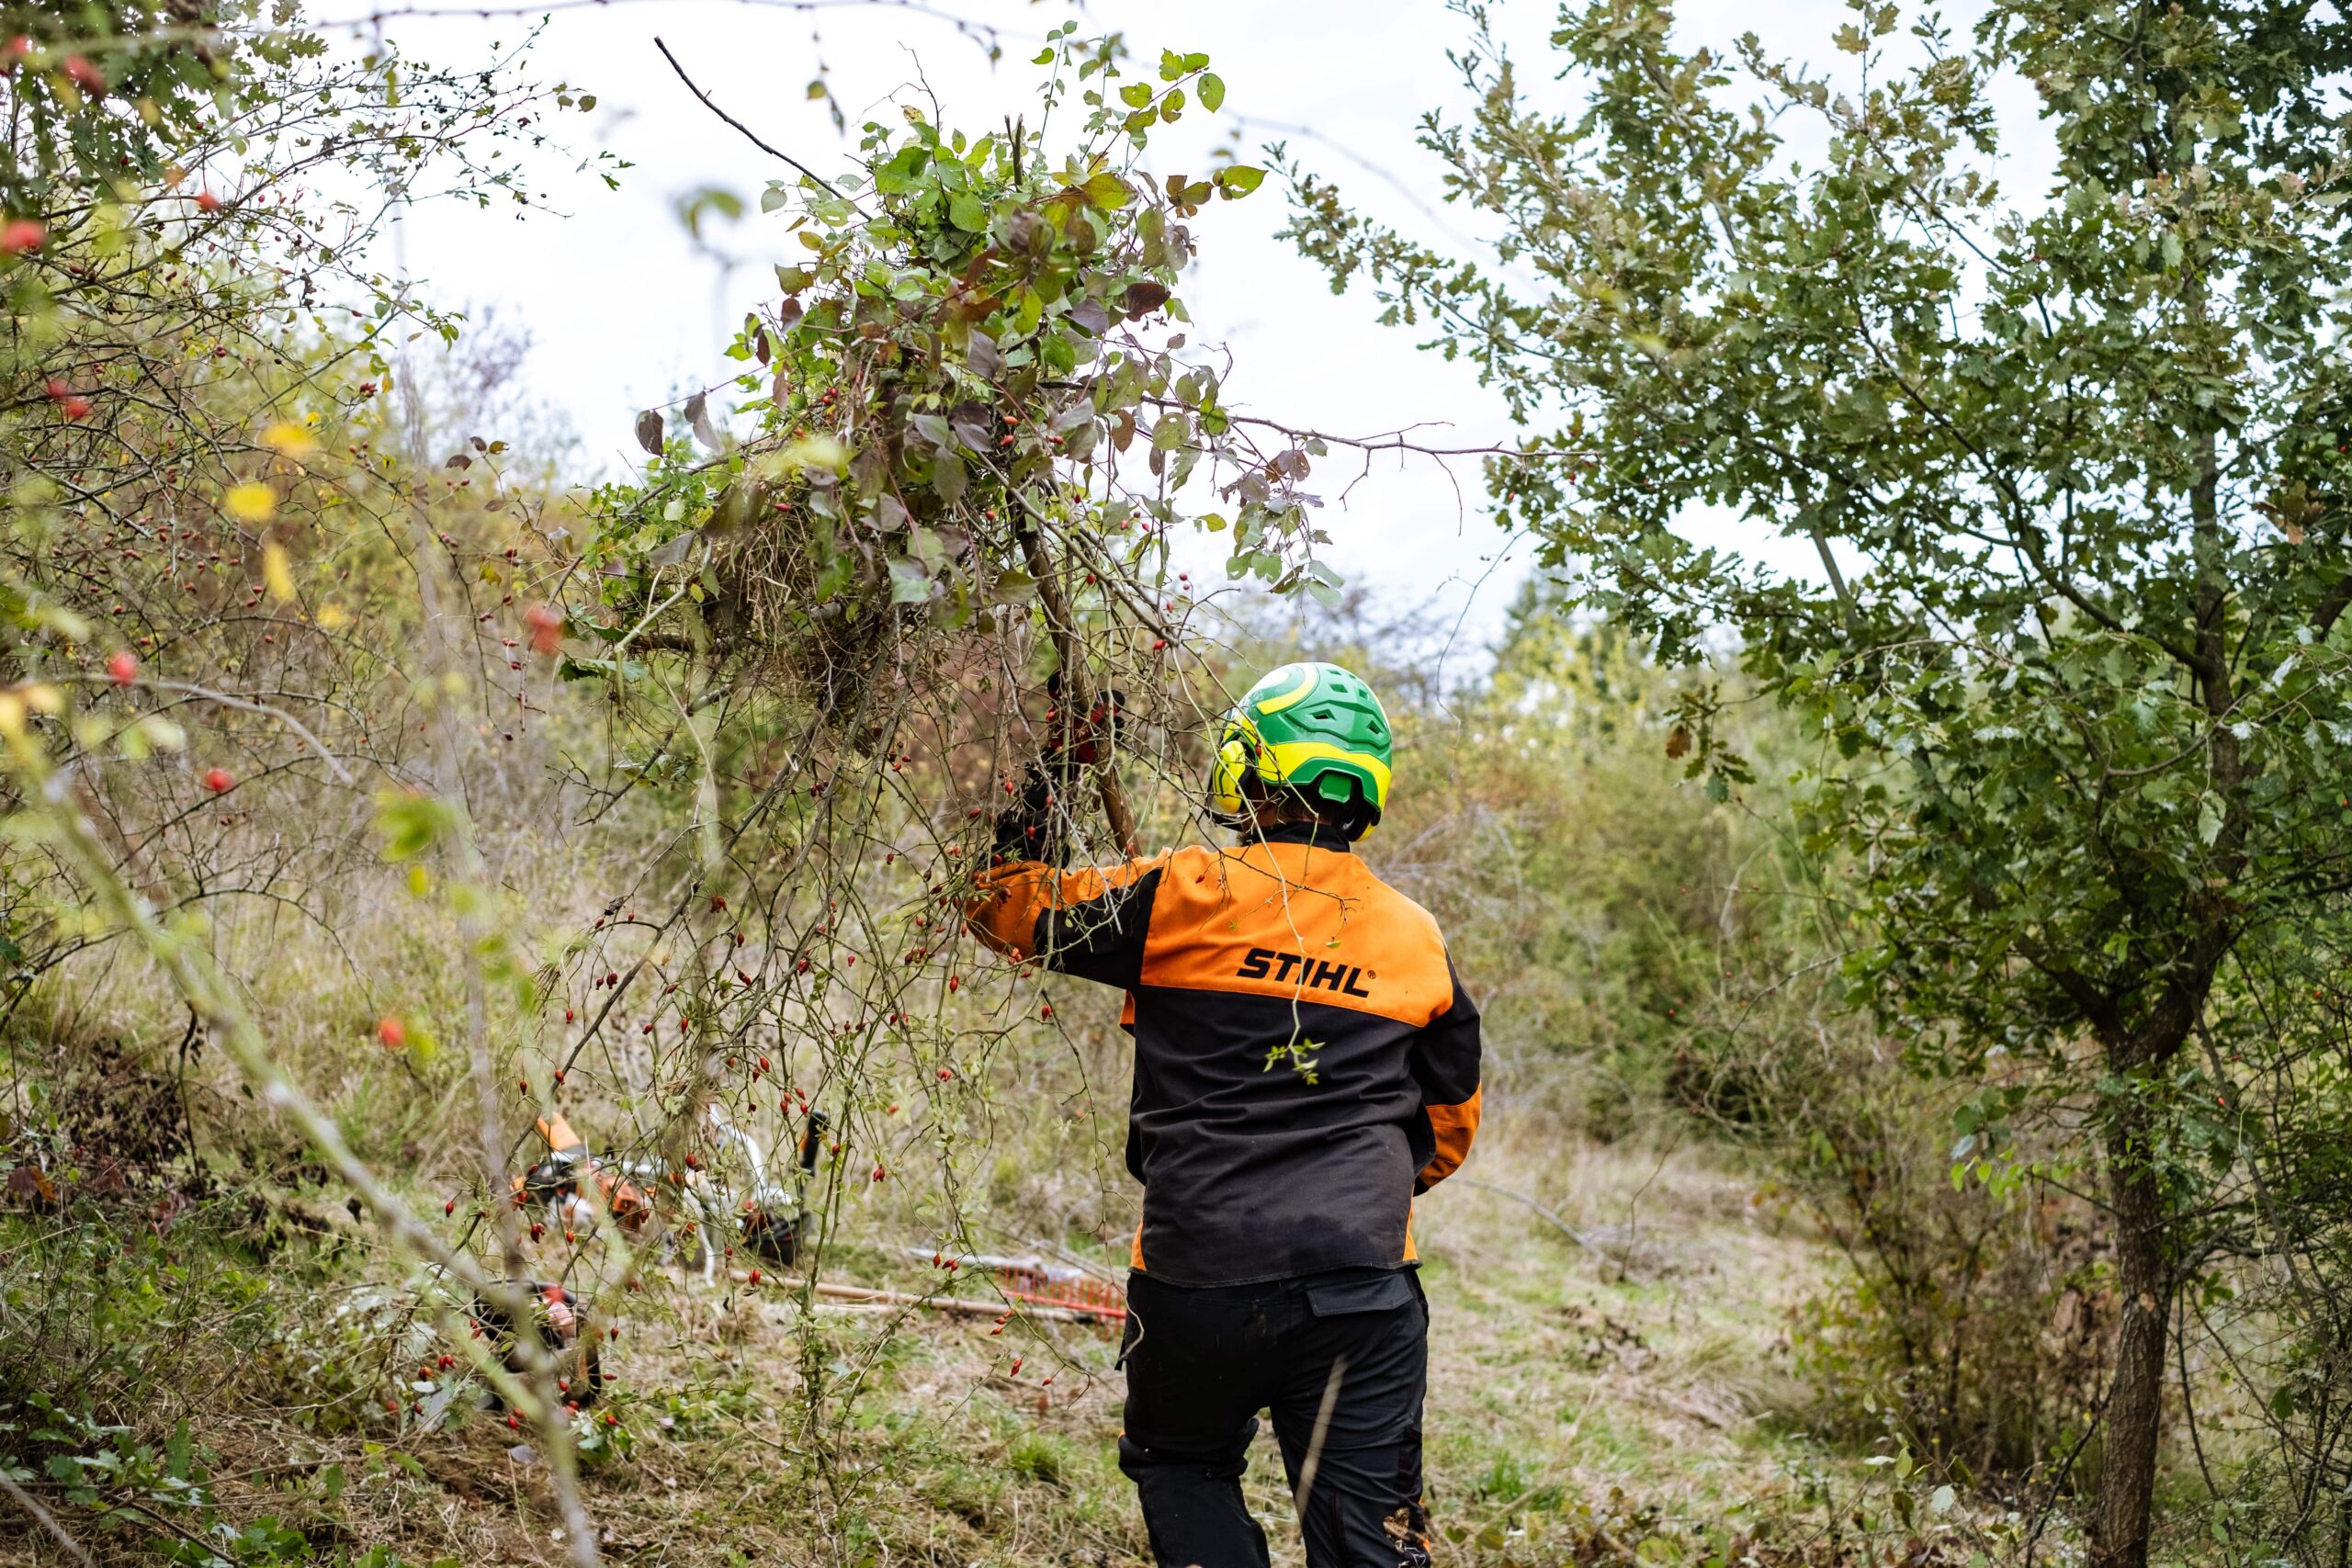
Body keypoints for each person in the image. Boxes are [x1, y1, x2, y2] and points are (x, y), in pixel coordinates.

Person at [967, 661, 1482, 1568]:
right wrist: (1360, 1192)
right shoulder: (1415, 936)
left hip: (1195, 1274)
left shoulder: (1181, 893)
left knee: (1184, 1468)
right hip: (1361, 1288)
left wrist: (1062, 763)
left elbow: (998, 900)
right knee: (1372, 1539)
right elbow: (1448, 1127)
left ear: (1248, 771)